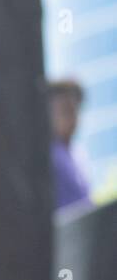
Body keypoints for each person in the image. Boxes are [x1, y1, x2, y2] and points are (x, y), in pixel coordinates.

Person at [49, 79, 90, 211]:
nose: (72, 116)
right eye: (65, 110)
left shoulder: (78, 154)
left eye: (75, 109)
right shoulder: (49, 155)